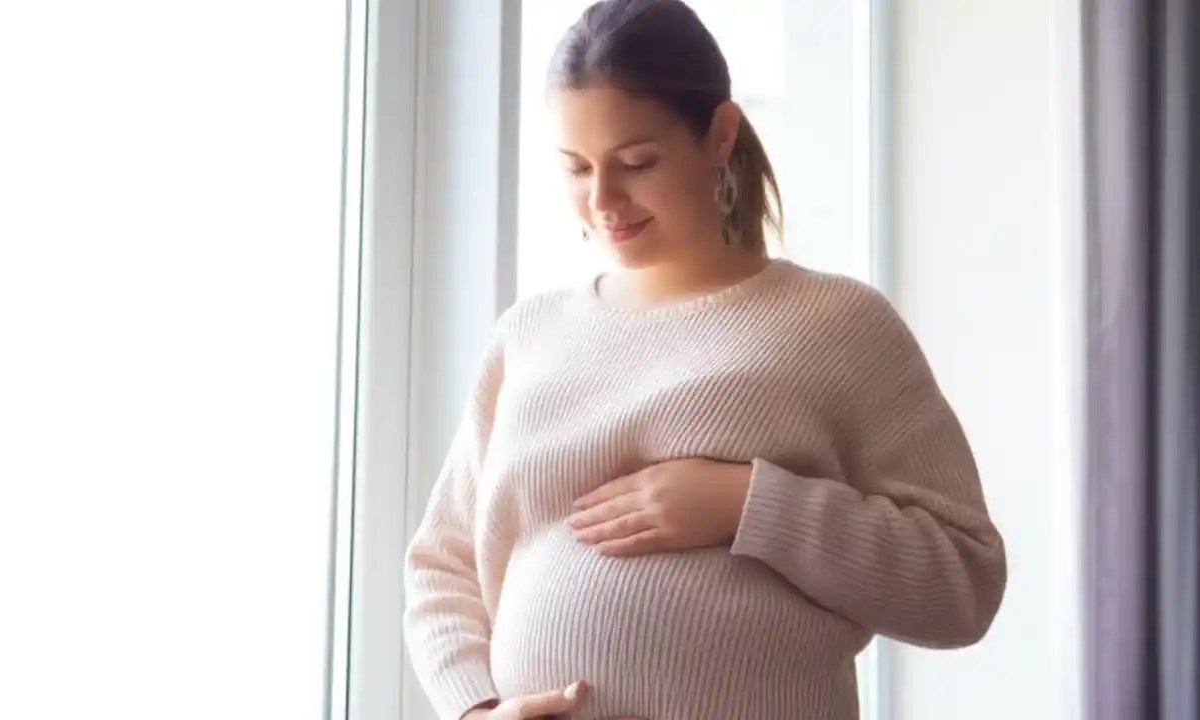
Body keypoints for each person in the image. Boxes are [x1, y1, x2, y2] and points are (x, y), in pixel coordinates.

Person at [403, 1, 1007, 718]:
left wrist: (750, 502)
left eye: (636, 163)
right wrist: (474, 708)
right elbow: (441, 567)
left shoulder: (837, 327)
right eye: (575, 168)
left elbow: (964, 581)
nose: (602, 201)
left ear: (719, 135)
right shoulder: (528, 335)